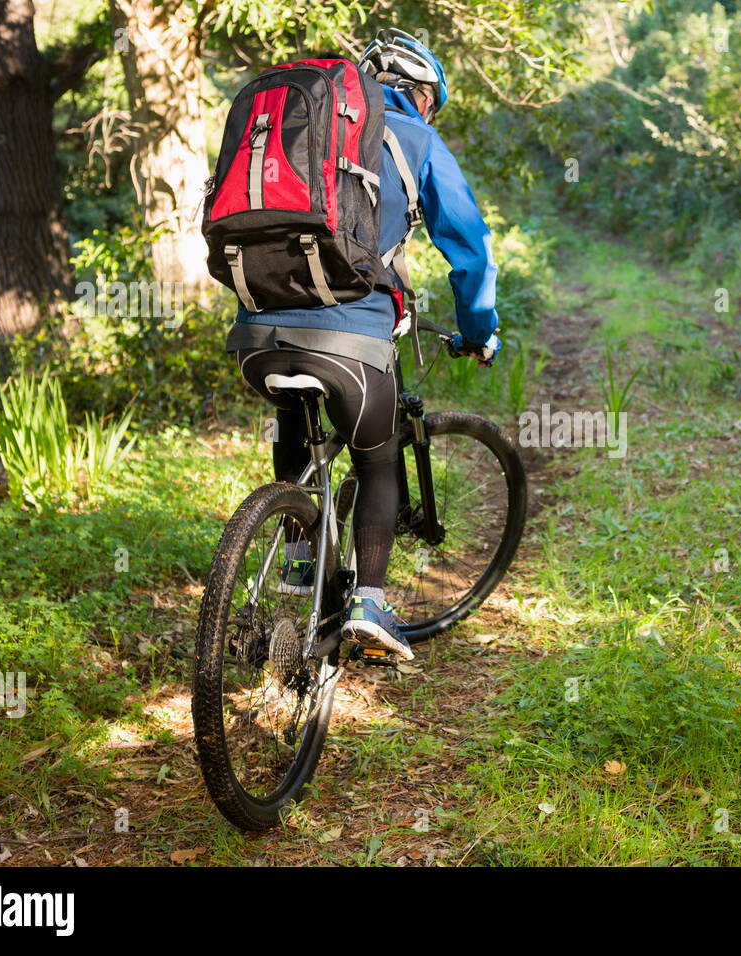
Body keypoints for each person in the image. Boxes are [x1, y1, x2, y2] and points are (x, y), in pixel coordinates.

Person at [225, 28, 502, 661]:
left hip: (255, 334)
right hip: (351, 339)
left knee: (294, 422)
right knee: (376, 460)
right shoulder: (416, 136)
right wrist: (479, 333)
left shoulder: (303, 126)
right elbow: (470, 251)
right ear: (421, 94)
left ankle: (299, 559)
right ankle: (370, 605)